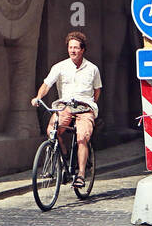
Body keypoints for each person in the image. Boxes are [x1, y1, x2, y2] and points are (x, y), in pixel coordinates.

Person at [30, 31, 101, 188]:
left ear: (82, 49)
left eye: (76, 48)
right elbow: (47, 84)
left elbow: (97, 90)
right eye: (70, 47)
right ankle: (63, 156)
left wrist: (90, 106)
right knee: (52, 131)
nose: (72, 51)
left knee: (82, 137)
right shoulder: (60, 67)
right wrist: (38, 97)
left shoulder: (92, 69)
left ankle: (81, 174)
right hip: (65, 106)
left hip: (84, 108)